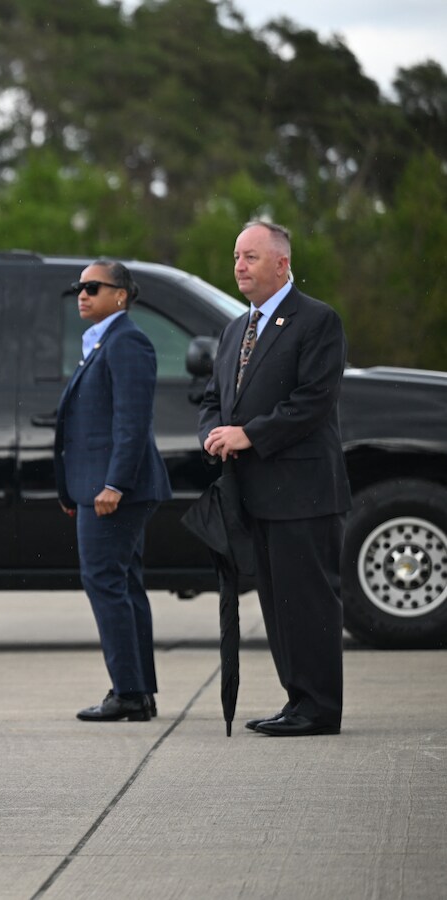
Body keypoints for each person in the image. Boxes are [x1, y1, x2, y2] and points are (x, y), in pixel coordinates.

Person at [199, 221, 350, 737]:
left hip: (304, 492)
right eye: (236, 256)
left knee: (308, 602)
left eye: (251, 257)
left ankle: (320, 707)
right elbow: (213, 400)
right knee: (279, 606)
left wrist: (248, 435)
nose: (239, 266)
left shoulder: (316, 321)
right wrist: (212, 433)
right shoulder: (234, 329)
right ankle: (297, 700)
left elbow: (311, 403)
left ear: (281, 263)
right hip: (257, 494)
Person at [54, 260, 172, 722]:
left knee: (106, 583)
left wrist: (113, 484)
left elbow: (132, 423)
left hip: (117, 490)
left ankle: (128, 692)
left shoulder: (128, 342)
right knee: (123, 584)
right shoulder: (105, 341)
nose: (82, 294)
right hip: (101, 487)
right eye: (79, 288)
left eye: (92, 287)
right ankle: (137, 691)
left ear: (121, 294)